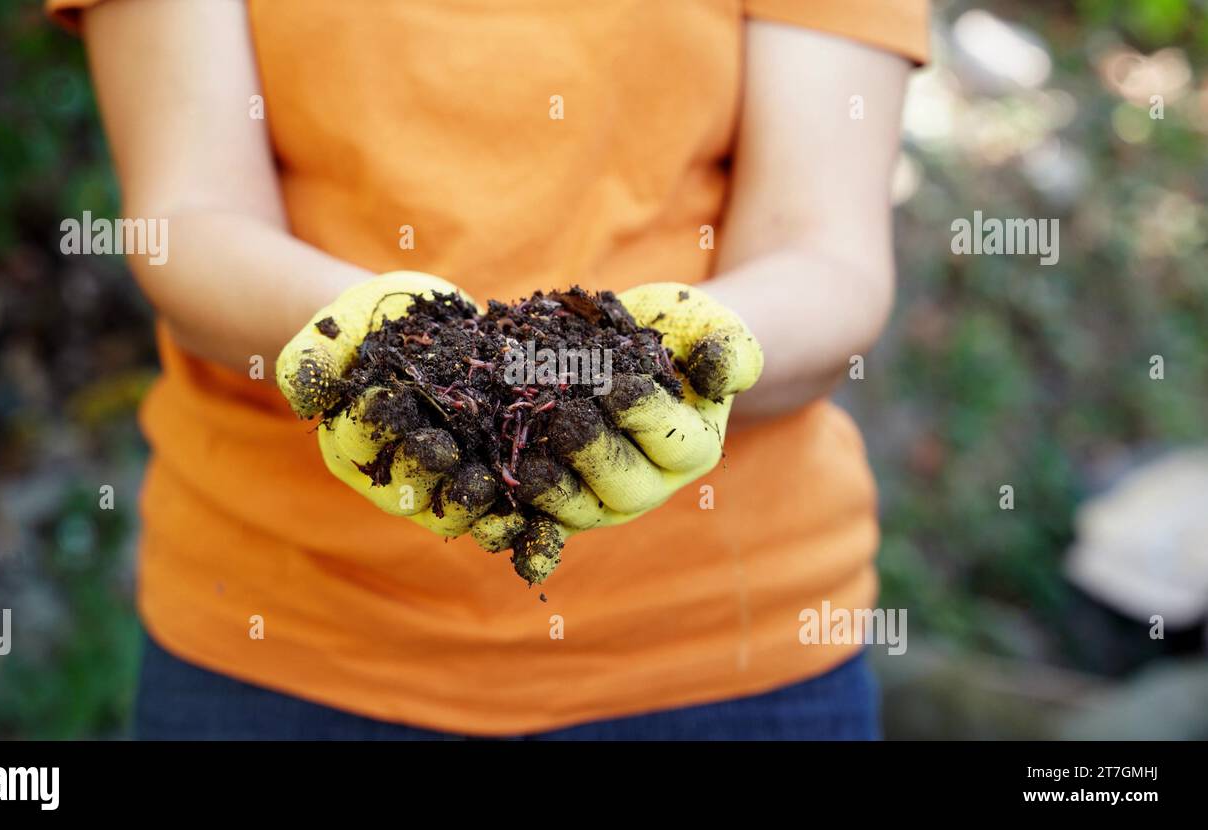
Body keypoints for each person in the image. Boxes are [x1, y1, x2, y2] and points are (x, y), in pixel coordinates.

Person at [48, 0, 928, 740]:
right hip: (279, 642)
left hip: (729, 656)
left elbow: (825, 255)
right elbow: (189, 218)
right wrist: (365, 339)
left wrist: (685, 355)